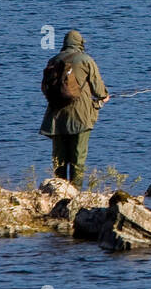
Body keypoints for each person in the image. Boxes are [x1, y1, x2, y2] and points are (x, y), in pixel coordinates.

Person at [39, 29, 109, 183]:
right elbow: (99, 90)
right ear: (80, 43)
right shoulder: (86, 60)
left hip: (55, 116)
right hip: (80, 115)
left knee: (59, 157)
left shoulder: (53, 60)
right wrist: (104, 97)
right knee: (78, 156)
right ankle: (75, 193)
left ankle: (59, 190)